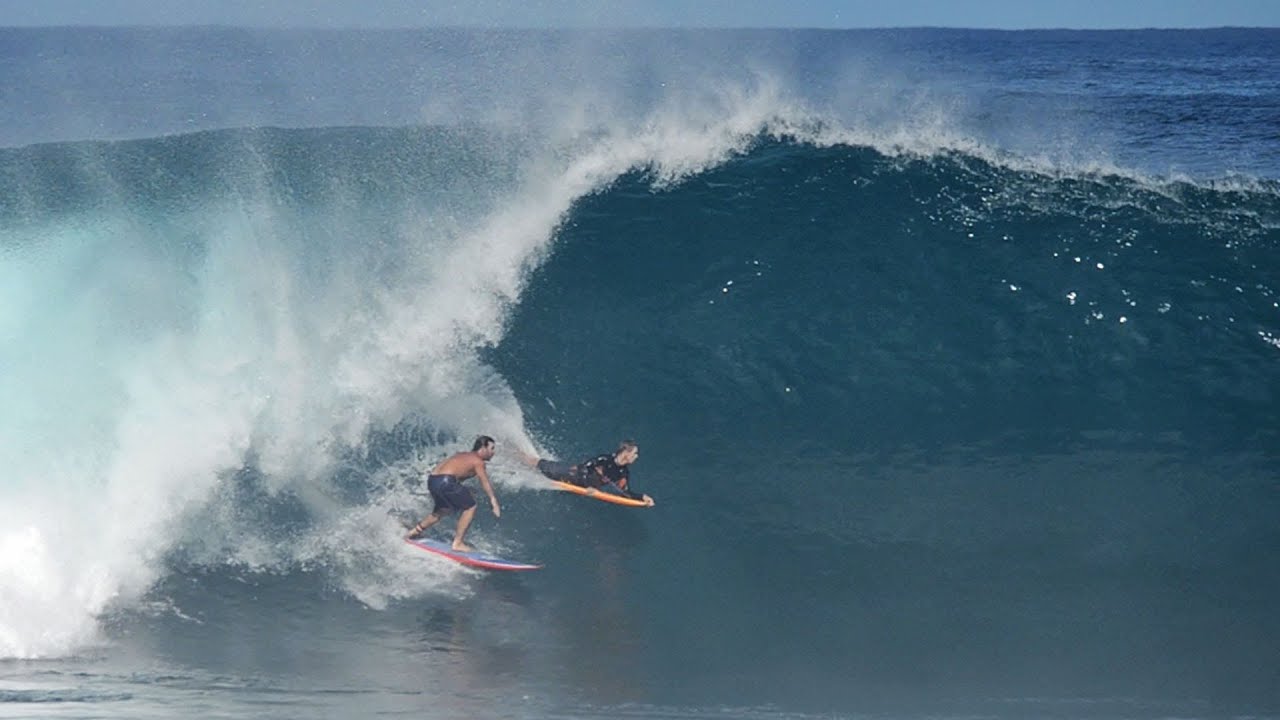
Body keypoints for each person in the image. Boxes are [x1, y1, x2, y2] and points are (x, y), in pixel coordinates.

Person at [406, 435, 502, 551]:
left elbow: (453, 473)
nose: (493, 452)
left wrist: (462, 489)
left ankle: (414, 532)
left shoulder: (462, 455)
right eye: (492, 448)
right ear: (483, 448)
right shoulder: (478, 461)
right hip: (446, 481)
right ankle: (458, 543)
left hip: (433, 480)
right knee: (470, 507)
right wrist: (493, 500)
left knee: (442, 510)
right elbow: (484, 481)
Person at [521, 440, 654, 507]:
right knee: (536, 463)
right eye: (634, 453)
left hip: (579, 486)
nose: (636, 456)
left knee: (537, 472)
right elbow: (585, 469)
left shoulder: (623, 473)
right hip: (569, 473)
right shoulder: (604, 459)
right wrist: (588, 487)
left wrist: (642, 497)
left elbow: (625, 492)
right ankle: (511, 453)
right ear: (626, 452)